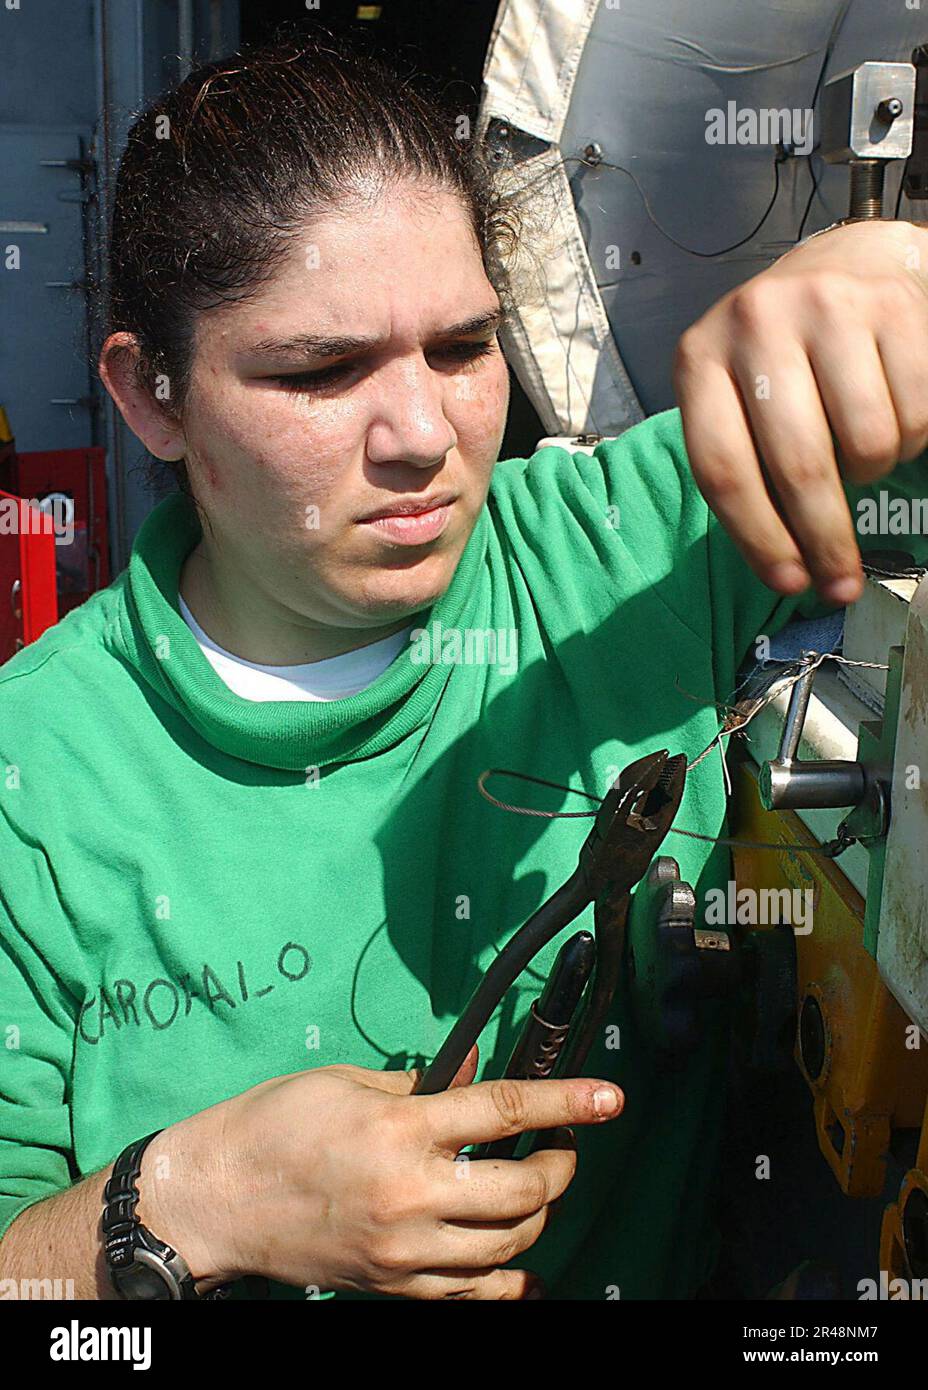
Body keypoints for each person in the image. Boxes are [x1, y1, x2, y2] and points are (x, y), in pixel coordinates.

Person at [1, 32, 927, 1302]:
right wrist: (189, 1199)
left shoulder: (629, 555)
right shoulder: (32, 785)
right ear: (149, 395)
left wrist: (898, 292)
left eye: (460, 347)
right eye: (320, 370)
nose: (424, 437)